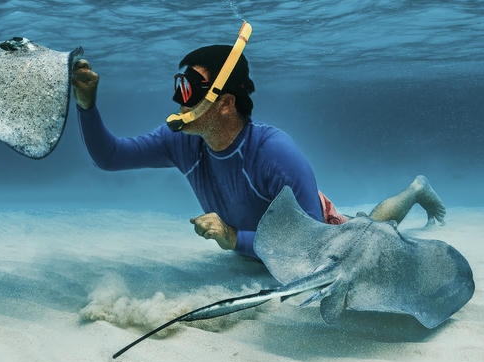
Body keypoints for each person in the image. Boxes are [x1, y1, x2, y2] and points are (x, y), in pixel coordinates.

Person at [71, 41, 446, 260]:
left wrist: (234, 238)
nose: (179, 99)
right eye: (179, 86)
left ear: (225, 103)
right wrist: (87, 104)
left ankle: (415, 189)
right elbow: (110, 157)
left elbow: (312, 243)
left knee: (369, 229)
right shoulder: (182, 141)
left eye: (191, 89)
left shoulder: (274, 152)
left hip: (316, 235)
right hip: (266, 248)